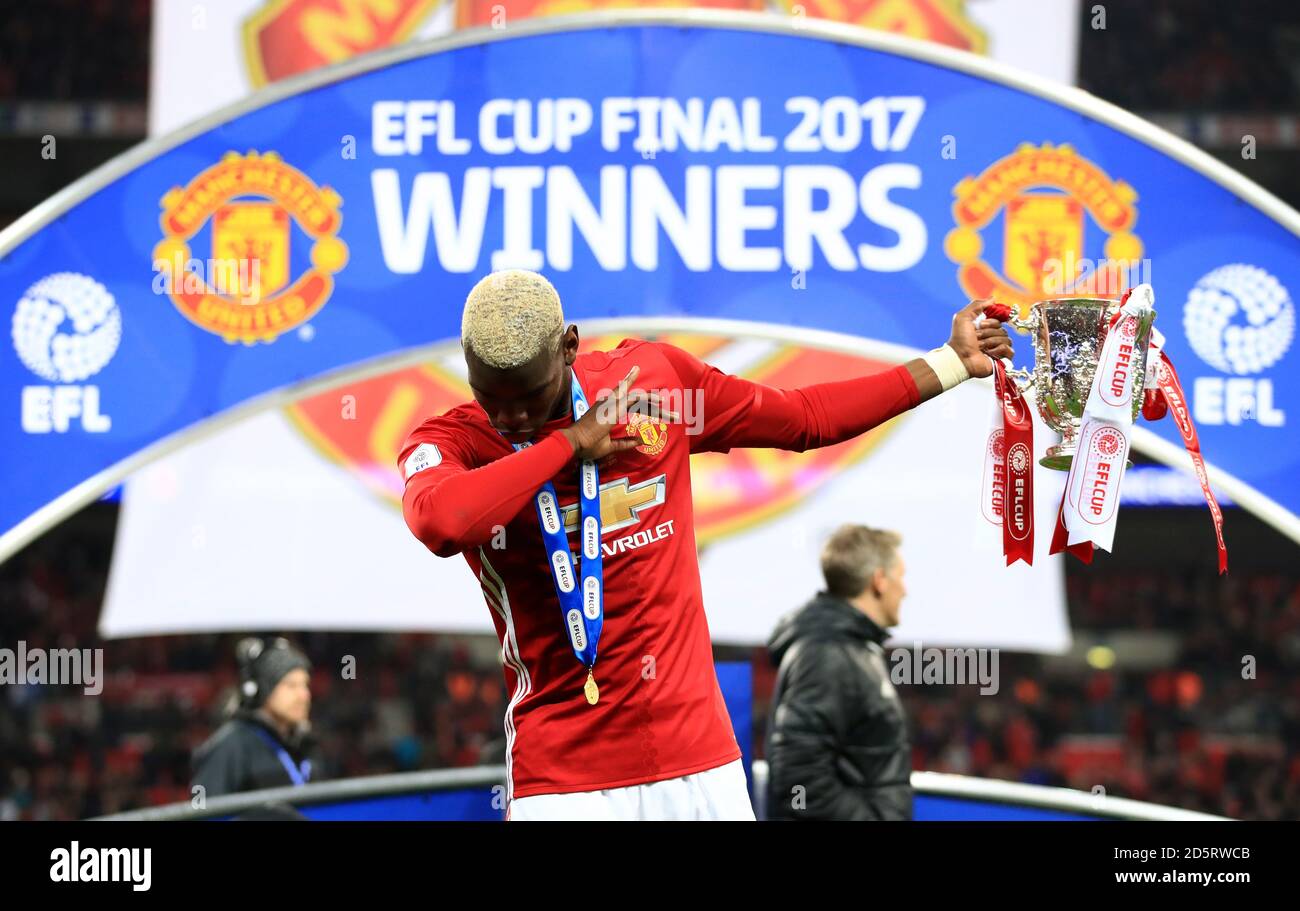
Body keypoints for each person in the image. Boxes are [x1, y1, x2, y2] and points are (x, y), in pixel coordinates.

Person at [398, 269, 1012, 821]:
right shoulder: (457, 440)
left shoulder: (653, 385)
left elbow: (804, 419)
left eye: (528, 397)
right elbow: (440, 523)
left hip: (698, 765)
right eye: (490, 396)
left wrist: (952, 362)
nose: (511, 419)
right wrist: (568, 445)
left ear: (569, 345)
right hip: (564, 781)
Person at [765, 525, 913, 820]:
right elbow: (798, 782)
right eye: (901, 576)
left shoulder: (849, 646)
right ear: (879, 580)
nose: (905, 590)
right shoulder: (827, 653)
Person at [191, 637, 319, 805]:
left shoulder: (304, 746)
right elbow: (204, 811)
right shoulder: (232, 746)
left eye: (305, 685)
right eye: (291, 685)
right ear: (261, 690)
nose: (304, 696)